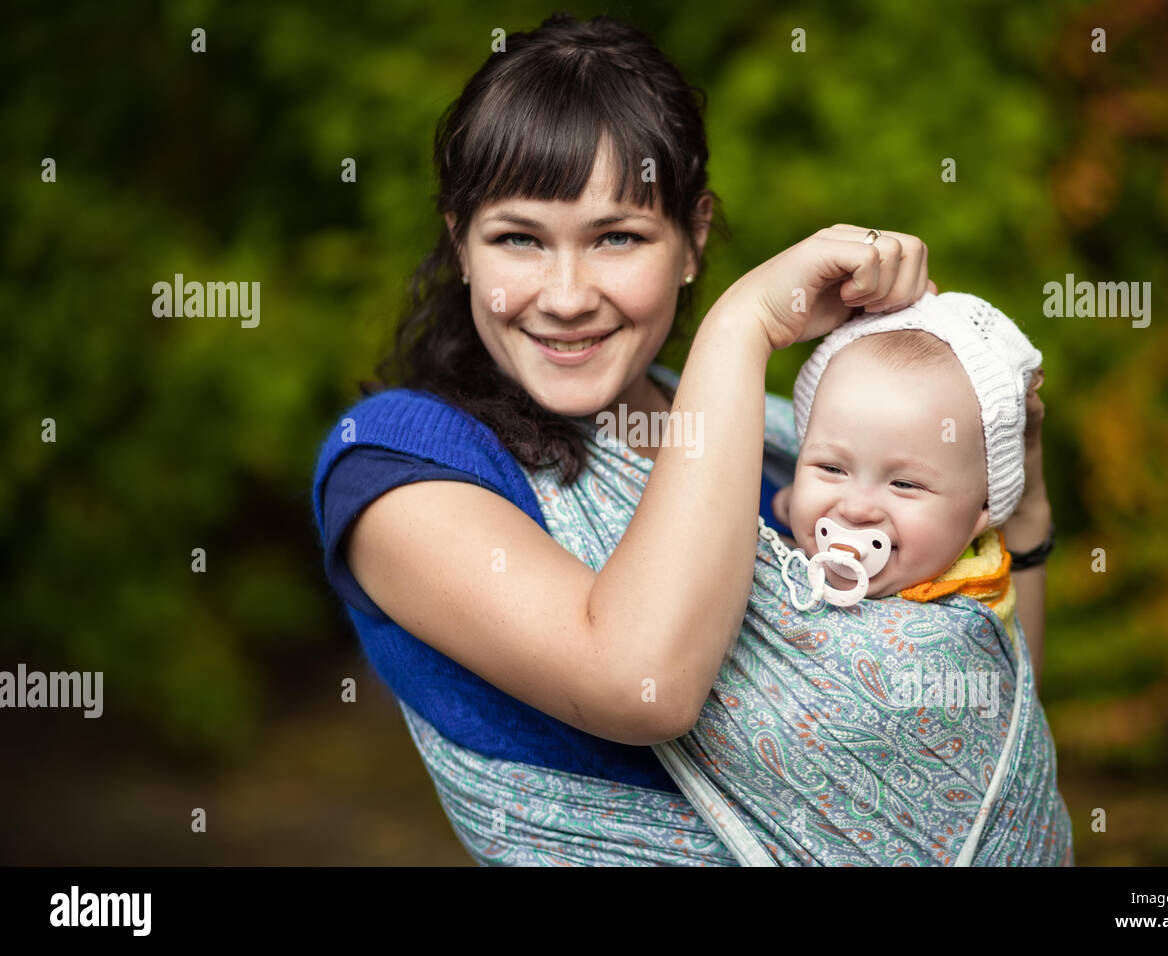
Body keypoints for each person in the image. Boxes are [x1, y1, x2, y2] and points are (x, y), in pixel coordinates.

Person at [311, 13, 1055, 865]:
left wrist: (1020, 508)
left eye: (616, 238)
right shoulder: (400, 462)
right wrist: (742, 323)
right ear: (462, 244)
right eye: (518, 238)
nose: (564, 294)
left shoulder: (783, 440)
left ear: (692, 238)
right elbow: (641, 682)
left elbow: (986, 723)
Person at [643, 292, 1072, 865]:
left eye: (906, 485)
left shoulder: (974, 596)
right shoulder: (757, 566)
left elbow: (1017, 706)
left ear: (979, 517)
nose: (858, 507)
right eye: (831, 467)